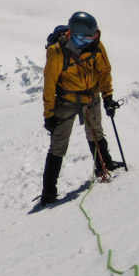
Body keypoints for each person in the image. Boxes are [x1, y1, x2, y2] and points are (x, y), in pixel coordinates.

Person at [40, 11, 123, 204]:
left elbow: (104, 71)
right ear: (73, 35)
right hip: (66, 101)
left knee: (96, 132)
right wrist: (49, 114)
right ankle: (48, 192)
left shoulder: (96, 45)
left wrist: (108, 96)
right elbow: (49, 84)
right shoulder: (57, 52)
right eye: (86, 38)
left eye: (93, 36)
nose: (90, 40)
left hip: (91, 96)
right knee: (58, 144)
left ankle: (104, 165)